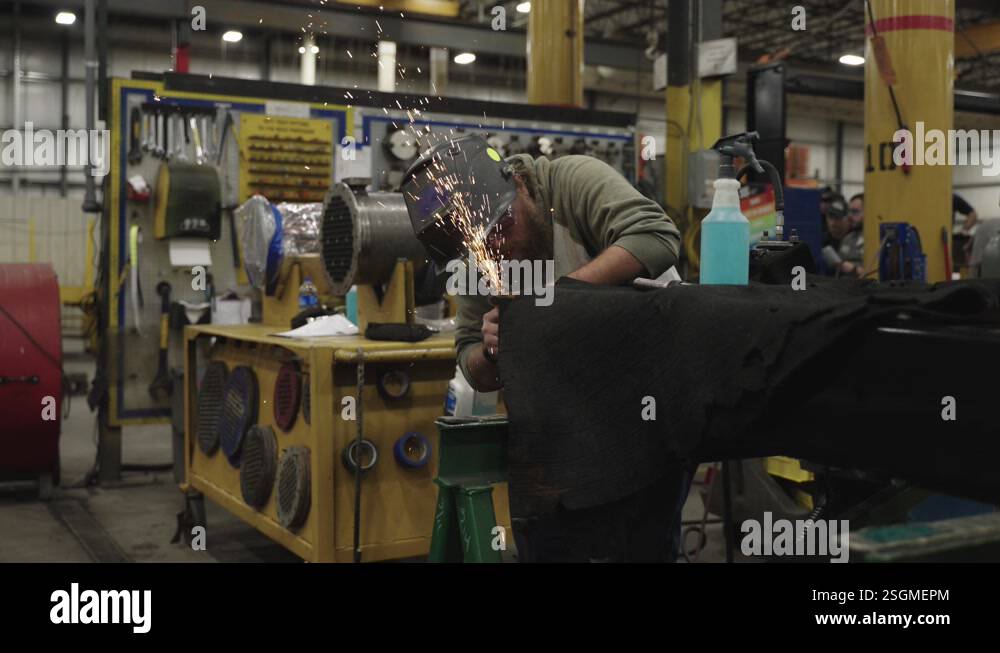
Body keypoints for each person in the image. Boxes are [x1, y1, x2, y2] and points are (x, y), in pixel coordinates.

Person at [402, 135, 688, 562]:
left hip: (650, 401)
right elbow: (470, 358)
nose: (498, 250)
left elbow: (656, 235)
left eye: (502, 228)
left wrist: (553, 303)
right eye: (481, 247)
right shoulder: (484, 253)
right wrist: (493, 349)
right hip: (562, 420)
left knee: (636, 547)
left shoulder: (571, 181)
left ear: (518, 184)